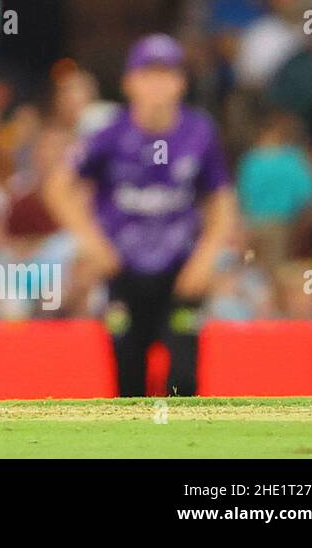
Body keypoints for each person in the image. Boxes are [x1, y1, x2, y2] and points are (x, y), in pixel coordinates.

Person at [44, 34, 236, 397]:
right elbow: (58, 187)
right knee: (128, 383)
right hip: (123, 274)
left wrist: (207, 257)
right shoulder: (109, 134)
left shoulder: (199, 133)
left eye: (167, 74)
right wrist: (91, 242)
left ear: (181, 82)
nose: (158, 85)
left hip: (180, 276)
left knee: (184, 381)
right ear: (130, 82)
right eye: (148, 74)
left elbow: (222, 201)